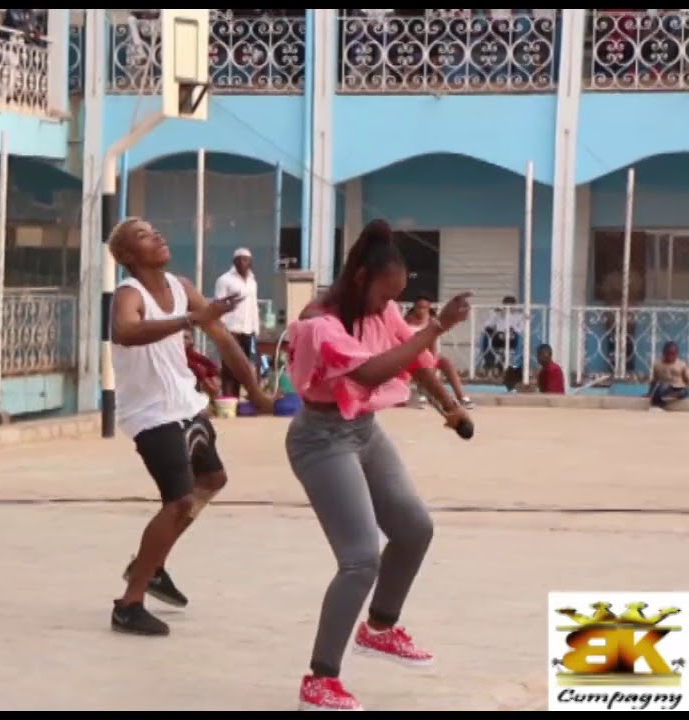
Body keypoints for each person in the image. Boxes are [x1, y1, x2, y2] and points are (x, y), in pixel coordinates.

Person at [284, 219, 472, 711]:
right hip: (320, 440)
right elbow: (370, 370)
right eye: (385, 293)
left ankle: (380, 628)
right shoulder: (319, 321)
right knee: (361, 558)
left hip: (363, 431)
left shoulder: (381, 308)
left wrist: (449, 406)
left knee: (414, 528)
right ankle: (320, 680)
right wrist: (438, 326)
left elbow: (413, 360)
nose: (390, 304)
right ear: (362, 278)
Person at [106, 217, 274, 637]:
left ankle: (152, 564)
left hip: (187, 404)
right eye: (144, 235)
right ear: (128, 256)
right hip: (151, 413)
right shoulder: (130, 293)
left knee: (212, 478)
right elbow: (125, 331)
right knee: (178, 501)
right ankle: (129, 603)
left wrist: (254, 389)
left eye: (155, 230)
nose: (157, 235)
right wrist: (187, 322)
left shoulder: (181, 287)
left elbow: (223, 339)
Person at [404, 295, 474, 409]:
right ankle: (423, 393)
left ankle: (462, 397)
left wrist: (433, 360)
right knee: (424, 363)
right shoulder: (406, 320)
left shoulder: (432, 321)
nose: (421, 311)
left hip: (427, 354)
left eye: (424, 308)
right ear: (414, 307)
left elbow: (433, 343)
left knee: (445, 362)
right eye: (419, 307)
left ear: (428, 308)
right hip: (410, 355)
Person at [212, 248, 260, 398]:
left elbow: (253, 306)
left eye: (245, 259)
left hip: (248, 330)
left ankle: (245, 400)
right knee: (230, 367)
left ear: (250, 262)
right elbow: (218, 305)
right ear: (234, 261)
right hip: (231, 330)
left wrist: (256, 328)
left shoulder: (252, 281)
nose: (242, 262)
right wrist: (221, 330)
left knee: (248, 367)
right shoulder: (224, 280)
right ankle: (229, 399)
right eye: (239, 259)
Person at [648, 341, 689, 408]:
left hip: (678, 388)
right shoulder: (657, 365)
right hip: (664, 388)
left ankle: (673, 395)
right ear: (663, 353)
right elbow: (654, 381)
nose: (670, 356)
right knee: (662, 387)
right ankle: (659, 402)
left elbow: (687, 379)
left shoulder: (682, 365)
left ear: (677, 354)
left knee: (686, 391)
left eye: (673, 354)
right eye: (668, 354)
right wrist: (649, 393)